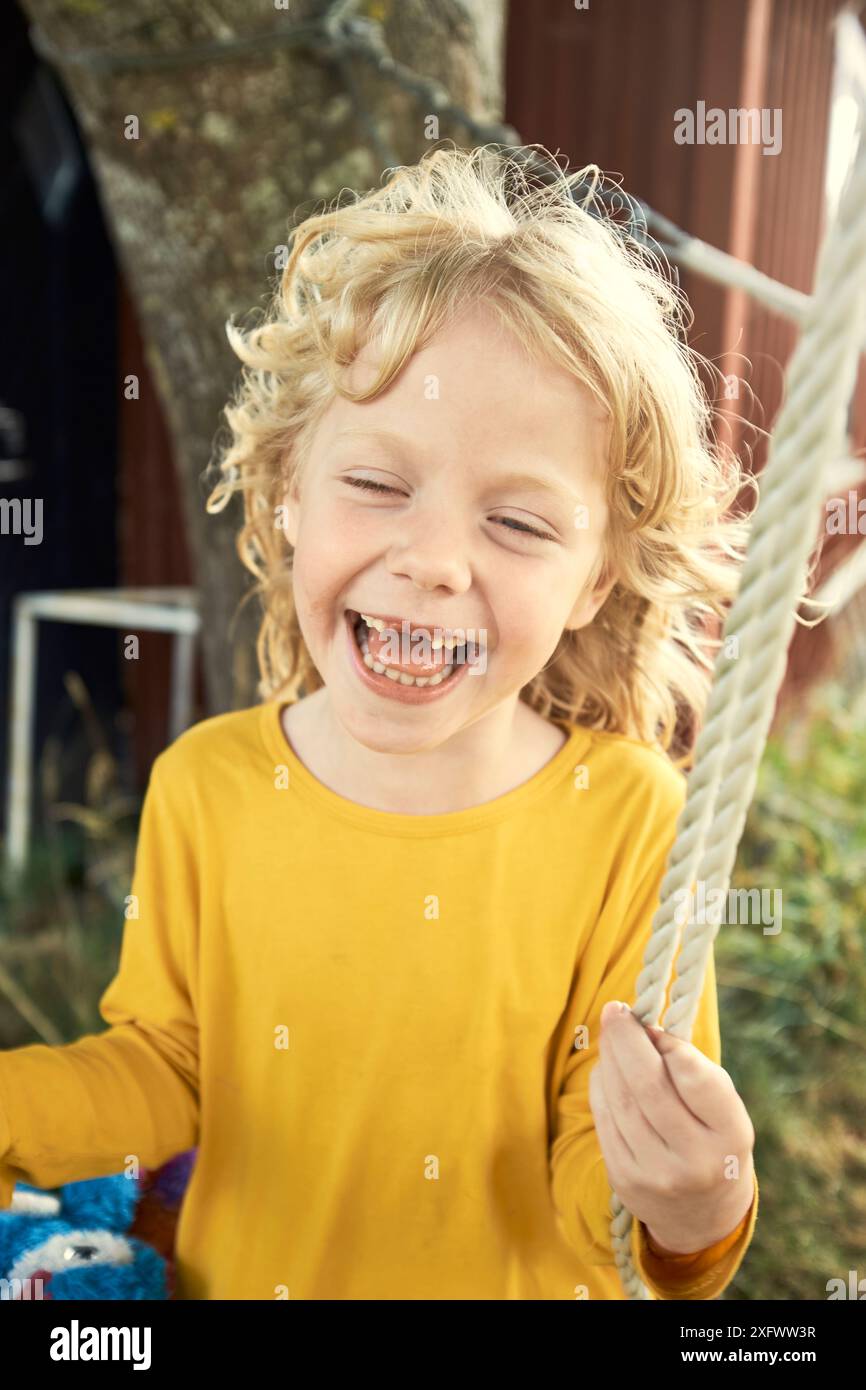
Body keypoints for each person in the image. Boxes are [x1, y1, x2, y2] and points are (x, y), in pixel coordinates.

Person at [0, 145, 759, 1300]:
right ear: (287, 494)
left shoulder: (629, 820)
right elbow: (170, 1071)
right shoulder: (208, 785)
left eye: (517, 522)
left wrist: (691, 1203)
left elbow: (607, 1186)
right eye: (376, 484)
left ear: (594, 581)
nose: (432, 561)